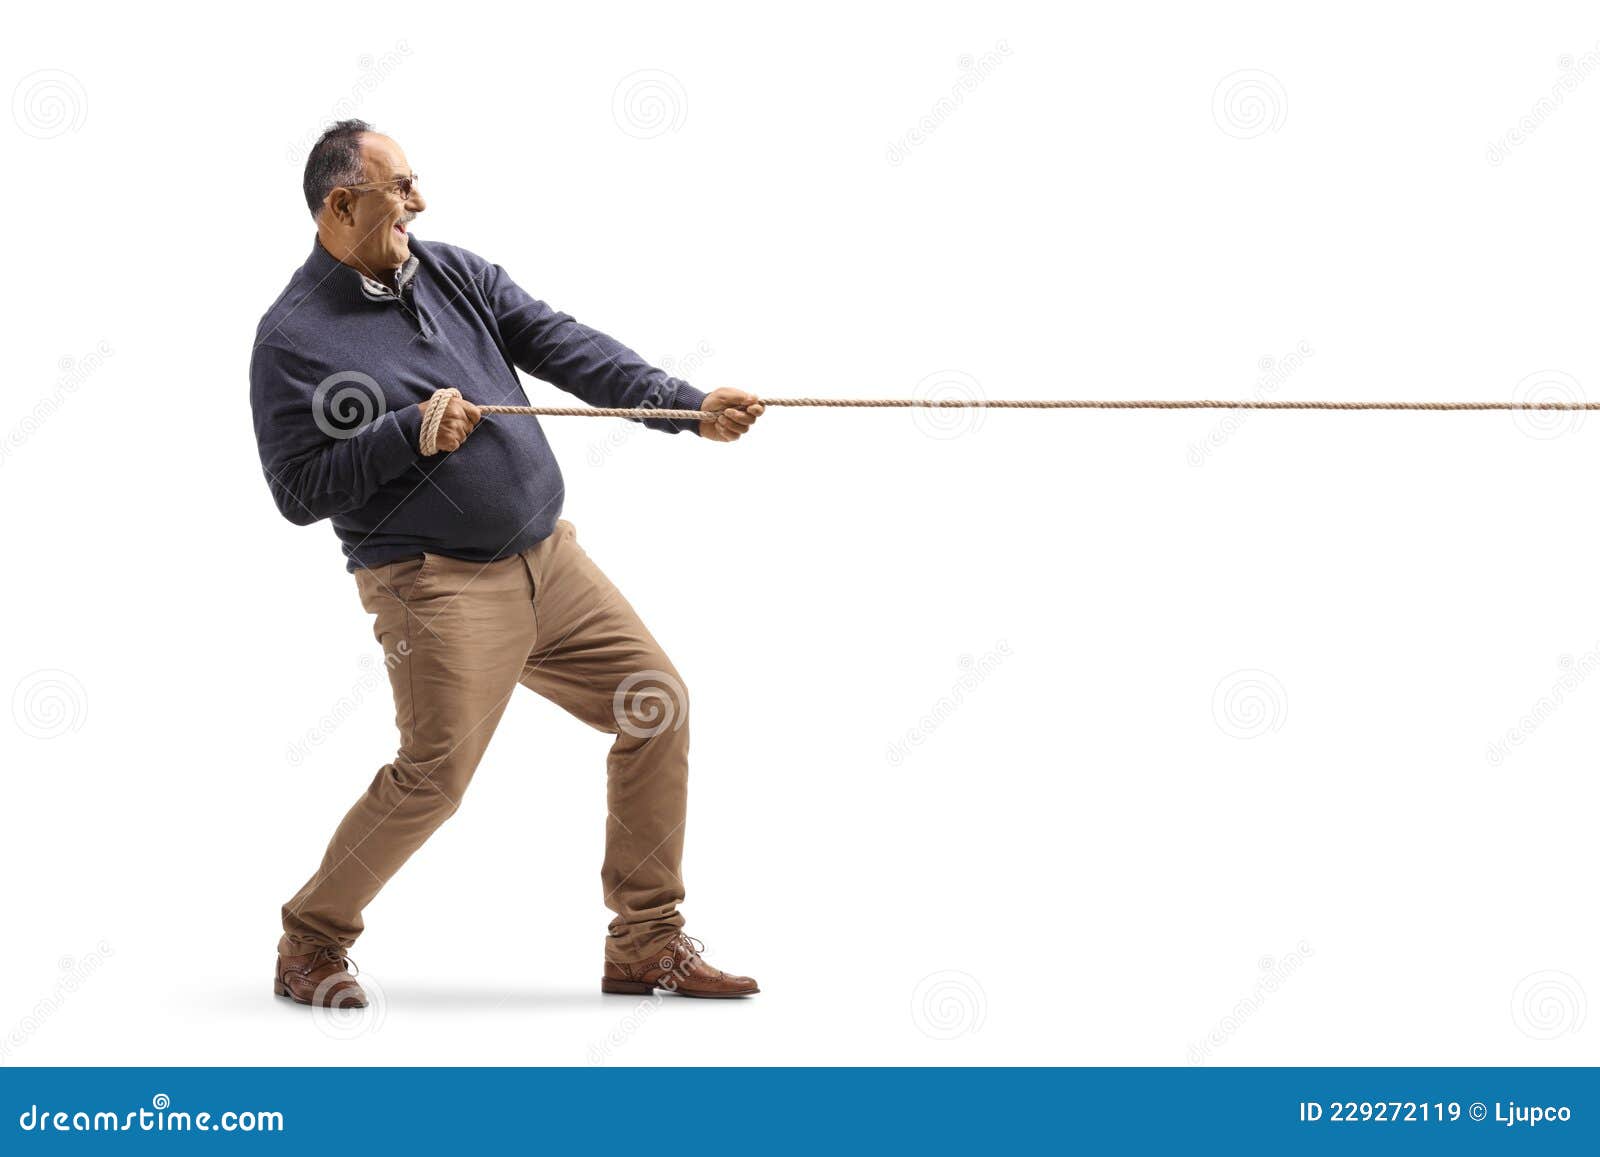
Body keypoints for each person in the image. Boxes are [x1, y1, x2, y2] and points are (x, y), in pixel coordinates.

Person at [250, 120, 762, 1007]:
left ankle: (646, 942)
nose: (419, 201)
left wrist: (686, 407)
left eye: (414, 182)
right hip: (435, 586)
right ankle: (311, 938)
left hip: (549, 560)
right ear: (341, 203)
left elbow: (568, 347)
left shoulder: (454, 273)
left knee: (656, 703)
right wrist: (405, 433)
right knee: (435, 777)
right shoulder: (293, 340)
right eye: (399, 187)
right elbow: (298, 490)